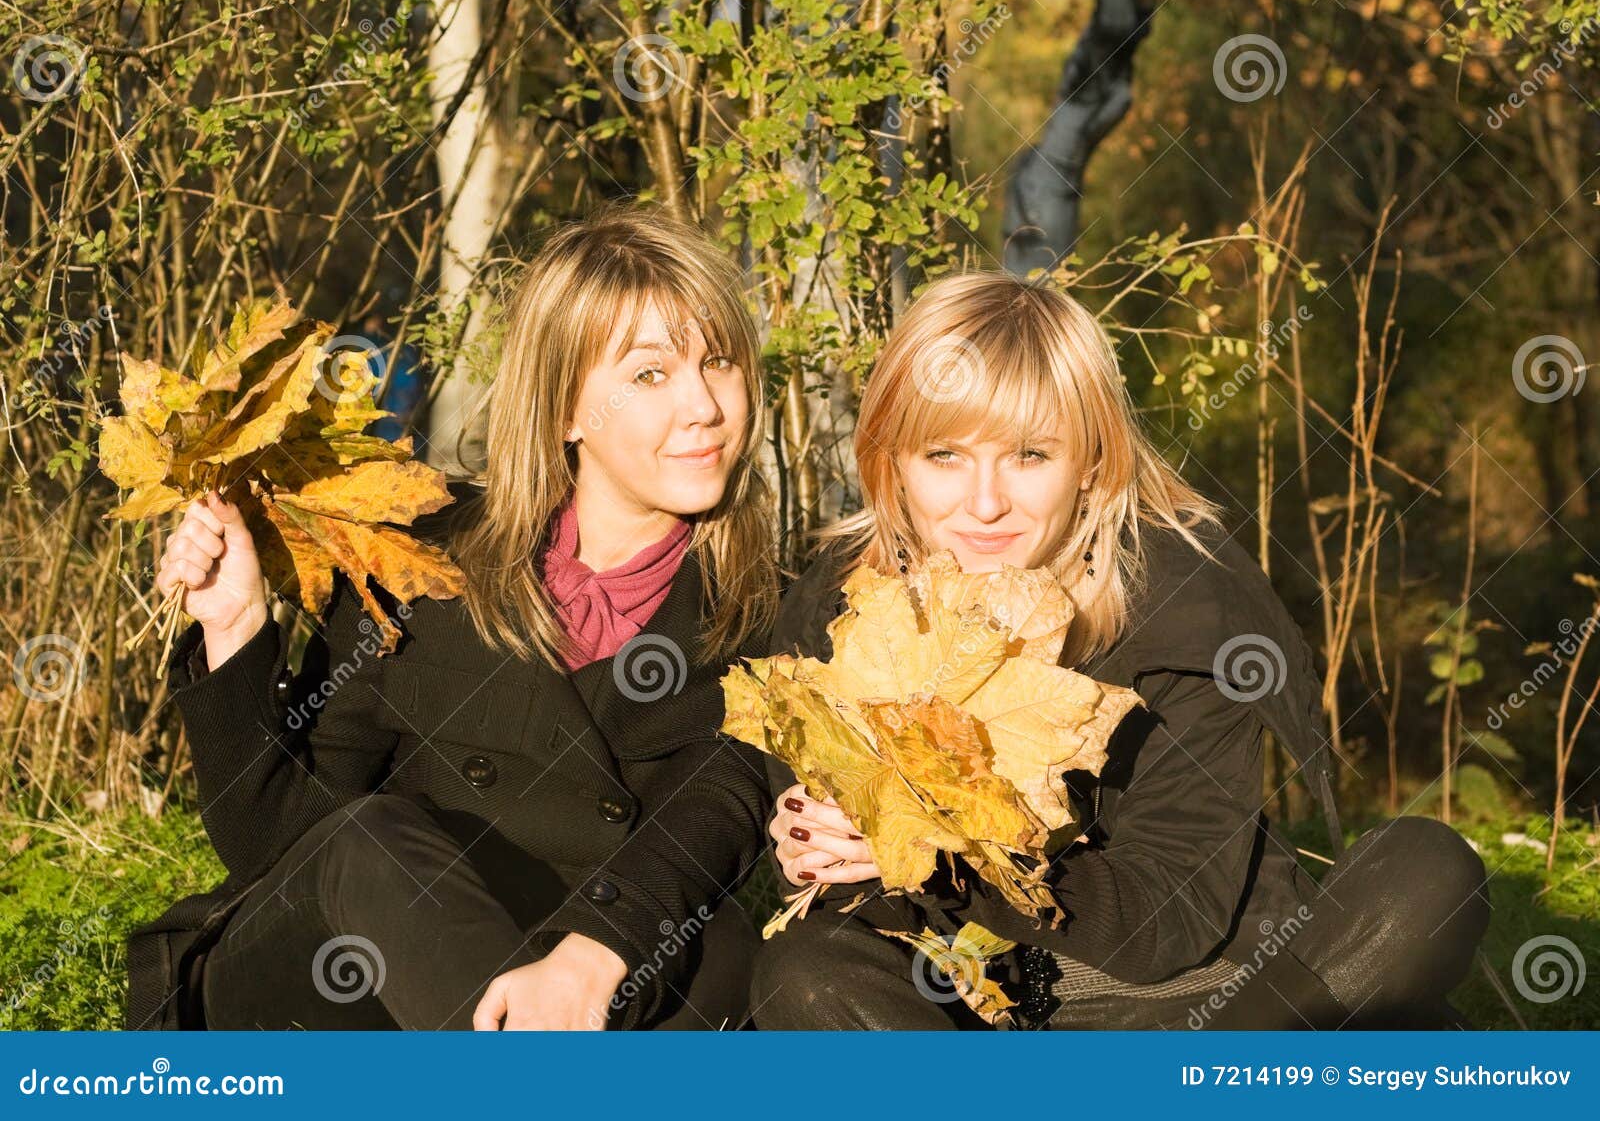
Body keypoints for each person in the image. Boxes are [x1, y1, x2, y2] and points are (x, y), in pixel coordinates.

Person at [751, 271, 1490, 1030]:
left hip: (1199, 999)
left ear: (1093, 463)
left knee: (1425, 876)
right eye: (943, 454)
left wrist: (959, 855)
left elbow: (1171, 914)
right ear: (891, 462)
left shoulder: (1187, 615)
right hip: (979, 1002)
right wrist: (831, 858)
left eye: (1029, 455)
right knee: (804, 968)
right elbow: (860, 914)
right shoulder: (840, 611)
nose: (984, 503)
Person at [125, 204, 779, 1031]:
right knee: (373, 838)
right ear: (567, 408)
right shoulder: (425, 563)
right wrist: (235, 628)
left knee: (720, 948)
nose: (705, 407)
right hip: (341, 982)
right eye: (650, 373)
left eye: (717, 362)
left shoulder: (760, 618)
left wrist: (596, 949)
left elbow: (709, 816)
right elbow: (282, 840)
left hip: (567, 982)